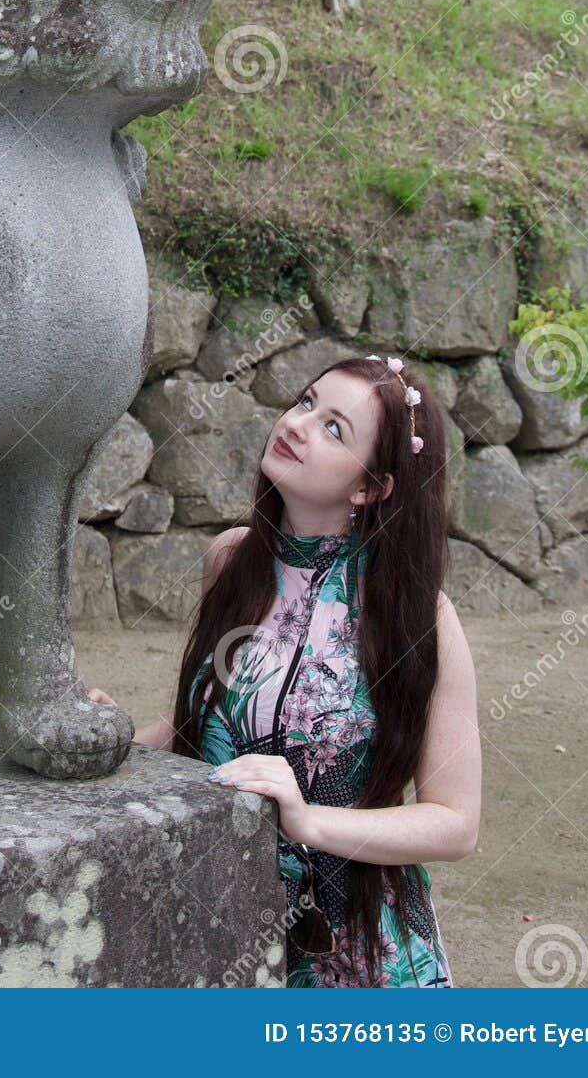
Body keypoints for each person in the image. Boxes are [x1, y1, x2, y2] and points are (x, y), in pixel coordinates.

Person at [89, 353, 480, 987]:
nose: (298, 424)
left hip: (354, 947)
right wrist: (115, 740)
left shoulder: (419, 617)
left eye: (334, 428)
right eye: (305, 402)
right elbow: (210, 722)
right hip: (219, 912)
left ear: (370, 488)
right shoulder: (232, 561)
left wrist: (310, 820)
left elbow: (455, 822)